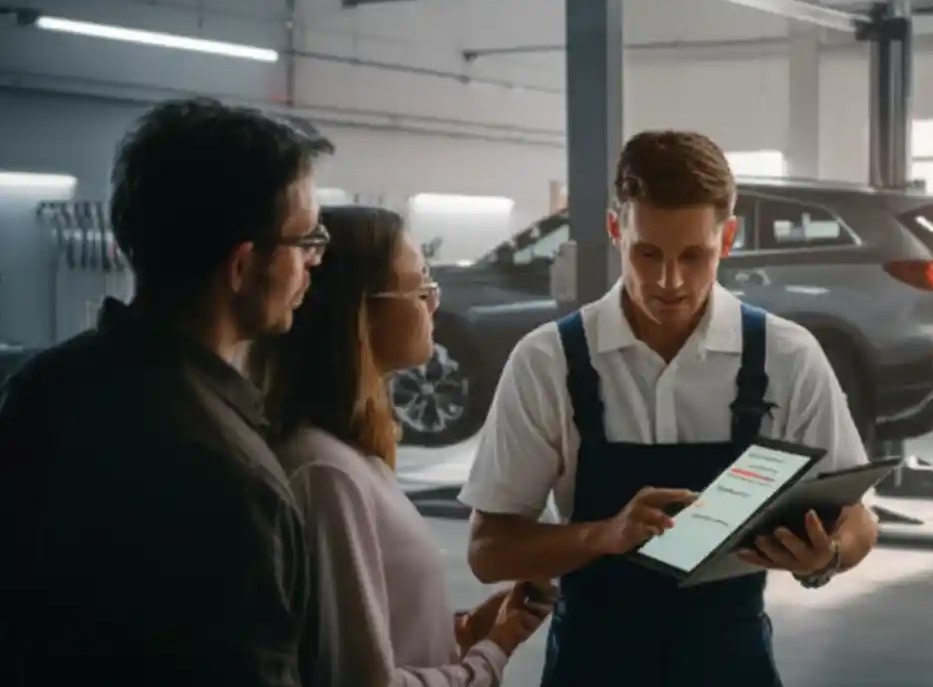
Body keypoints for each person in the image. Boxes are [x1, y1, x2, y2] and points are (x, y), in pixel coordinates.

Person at [458, 130, 880, 687]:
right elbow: (489, 551)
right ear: (615, 229)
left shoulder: (787, 356)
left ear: (727, 238)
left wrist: (824, 558)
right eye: (648, 253)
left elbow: (859, 520)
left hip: (733, 664)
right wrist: (604, 535)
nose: (668, 281)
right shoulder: (548, 362)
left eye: (694, 256)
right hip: (592, 667)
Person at [0, 98, 333, 686]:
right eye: (305, 240)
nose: (313, 263)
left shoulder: (40, 389)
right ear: (242, 265)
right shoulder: (231, 476)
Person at [245, 205, 552, 687]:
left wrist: (464, 633)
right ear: (361, 312)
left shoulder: (352, 460)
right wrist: (488, 658)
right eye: (418, 284)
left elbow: (372, 635)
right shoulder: (326, 474)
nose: (434, 301)